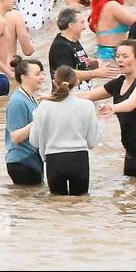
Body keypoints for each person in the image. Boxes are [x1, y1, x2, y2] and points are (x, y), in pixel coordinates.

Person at [79, 40, 136, 178]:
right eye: (118, 56)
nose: (120, 60)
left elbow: (132, 103)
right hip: (131, 154)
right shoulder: (118, 83)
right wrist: (56, 97)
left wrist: (113, 107)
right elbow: (87, 95)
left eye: (125, 56)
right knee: (127, 197)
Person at [29, 65, 102, 195]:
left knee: (57, 207)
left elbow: (34, 141)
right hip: (79, 159)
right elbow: (92, 142)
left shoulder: (44, 107)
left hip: (54, 160)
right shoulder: (87, 106)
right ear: (77, 82)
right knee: (80, 204)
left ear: (54, 82)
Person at [5, 57, 44, 186]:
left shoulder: (31, 98)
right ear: (24, 78)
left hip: (31, 159)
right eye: (37, 74)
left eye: (42, 73)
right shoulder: (17, 101)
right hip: (21, 161)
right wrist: (37, 120)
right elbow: (15, 137)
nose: (42, 77)